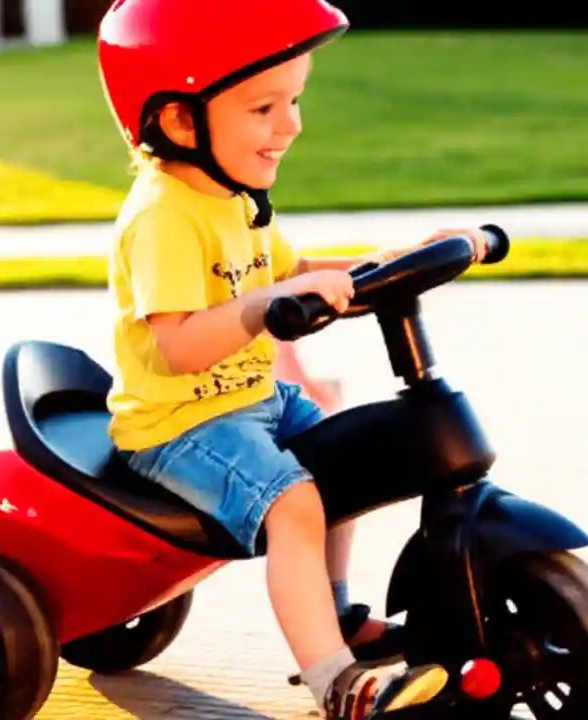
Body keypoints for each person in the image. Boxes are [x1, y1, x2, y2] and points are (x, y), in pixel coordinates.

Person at [97, 1, 491, 716]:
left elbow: (297, 269)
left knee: (340, 456)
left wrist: (386, 264)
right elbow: (180, 346)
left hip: (251, 403)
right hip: (179, 424)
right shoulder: (163, 215)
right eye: (264, 106)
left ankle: (334, 614)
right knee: (295, 500)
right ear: (181, 120)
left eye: (295, 99)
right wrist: (259, 307)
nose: (291, 123)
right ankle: (334, 681)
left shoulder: (236, 196)